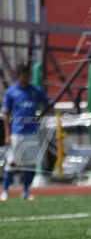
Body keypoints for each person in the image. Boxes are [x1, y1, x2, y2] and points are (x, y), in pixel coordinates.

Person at [2, 61, 50, 202]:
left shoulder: (35, 90)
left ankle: (25, 191)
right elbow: (6, 113)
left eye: (28, 75)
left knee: (29, 162)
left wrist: (40, 116)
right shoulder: (11, 92)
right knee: (12, 161)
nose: (27, 78)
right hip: (17, 132)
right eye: (24, 75)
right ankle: (4, 190)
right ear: (19, 76)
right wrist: (7, 133)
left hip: (32, 132)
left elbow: (48, 104)